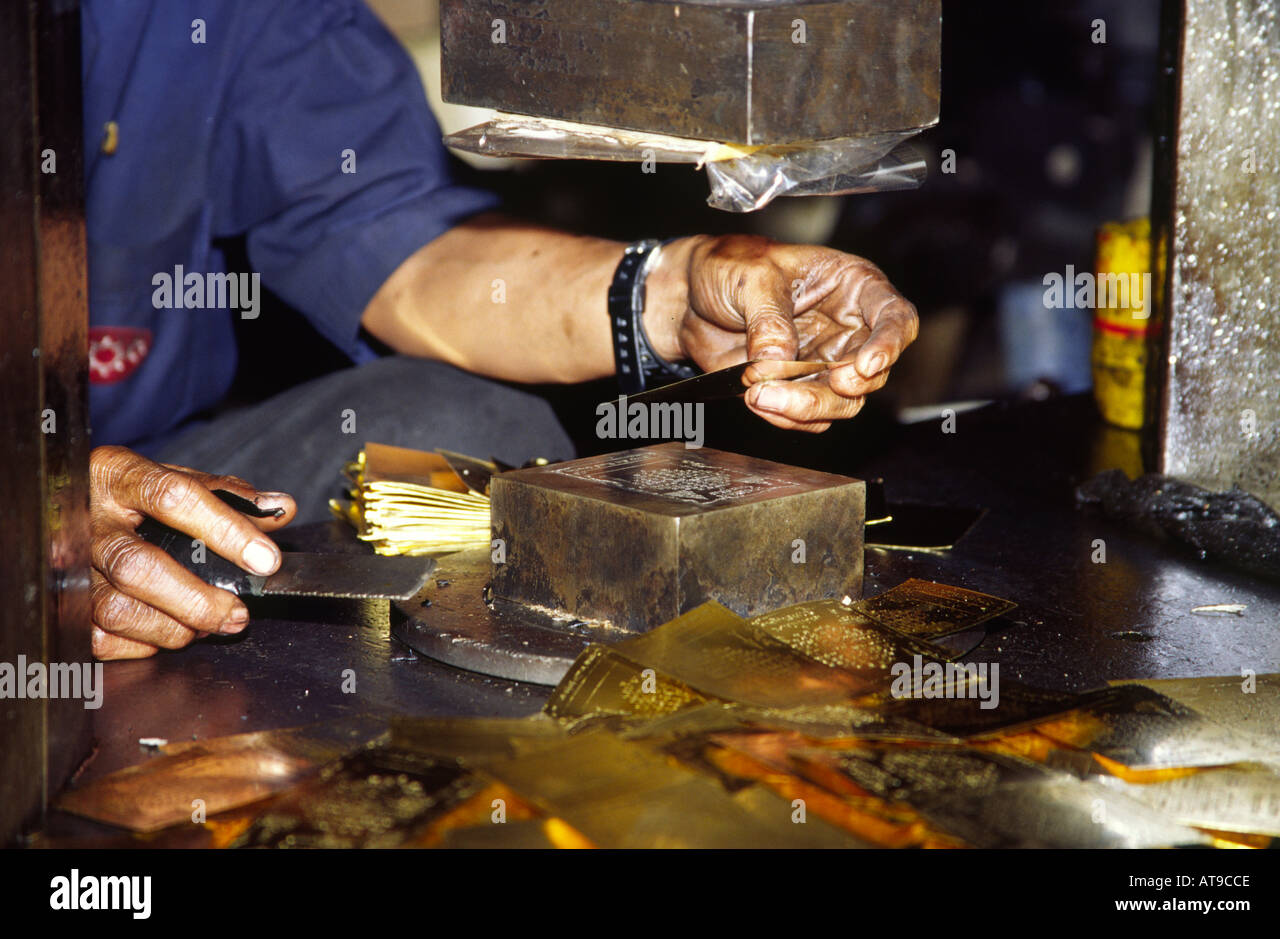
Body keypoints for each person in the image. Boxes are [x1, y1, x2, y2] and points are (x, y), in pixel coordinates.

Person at [85, 0, 919, 660]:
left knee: (478, 428)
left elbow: (392, 240)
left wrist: (672, 290)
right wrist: (35, 519)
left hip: (167, 457)